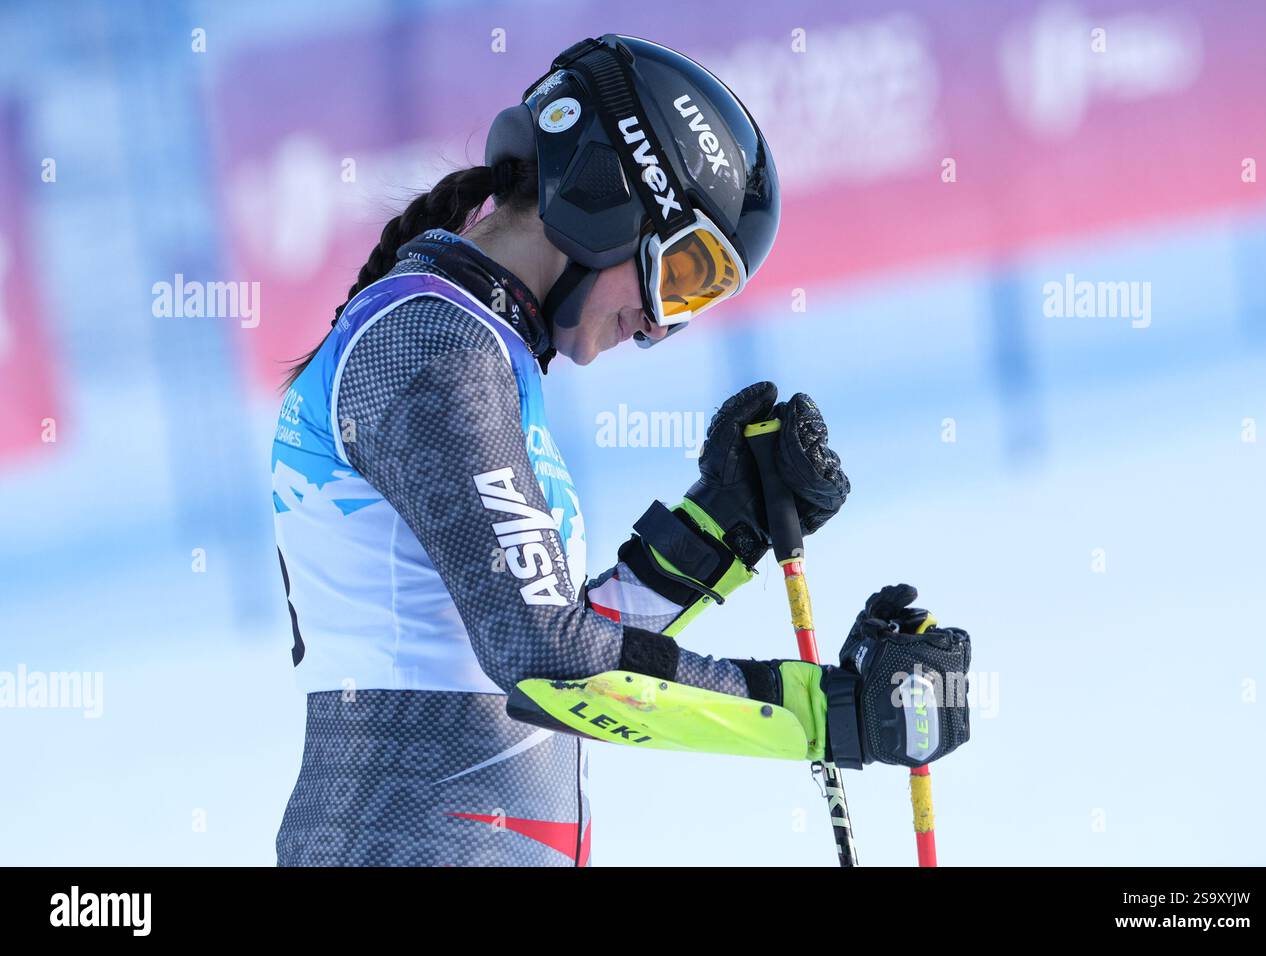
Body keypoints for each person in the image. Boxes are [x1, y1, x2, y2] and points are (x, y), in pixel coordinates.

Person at [271, 34, 972, 867]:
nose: (660, 325)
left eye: (697, 301)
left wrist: (720, 530)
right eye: (682, 272)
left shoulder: (474, 346)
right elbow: (548, 664)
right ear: (606, 192)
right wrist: (826, 713)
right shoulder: (432, 347)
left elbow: (557, 645)